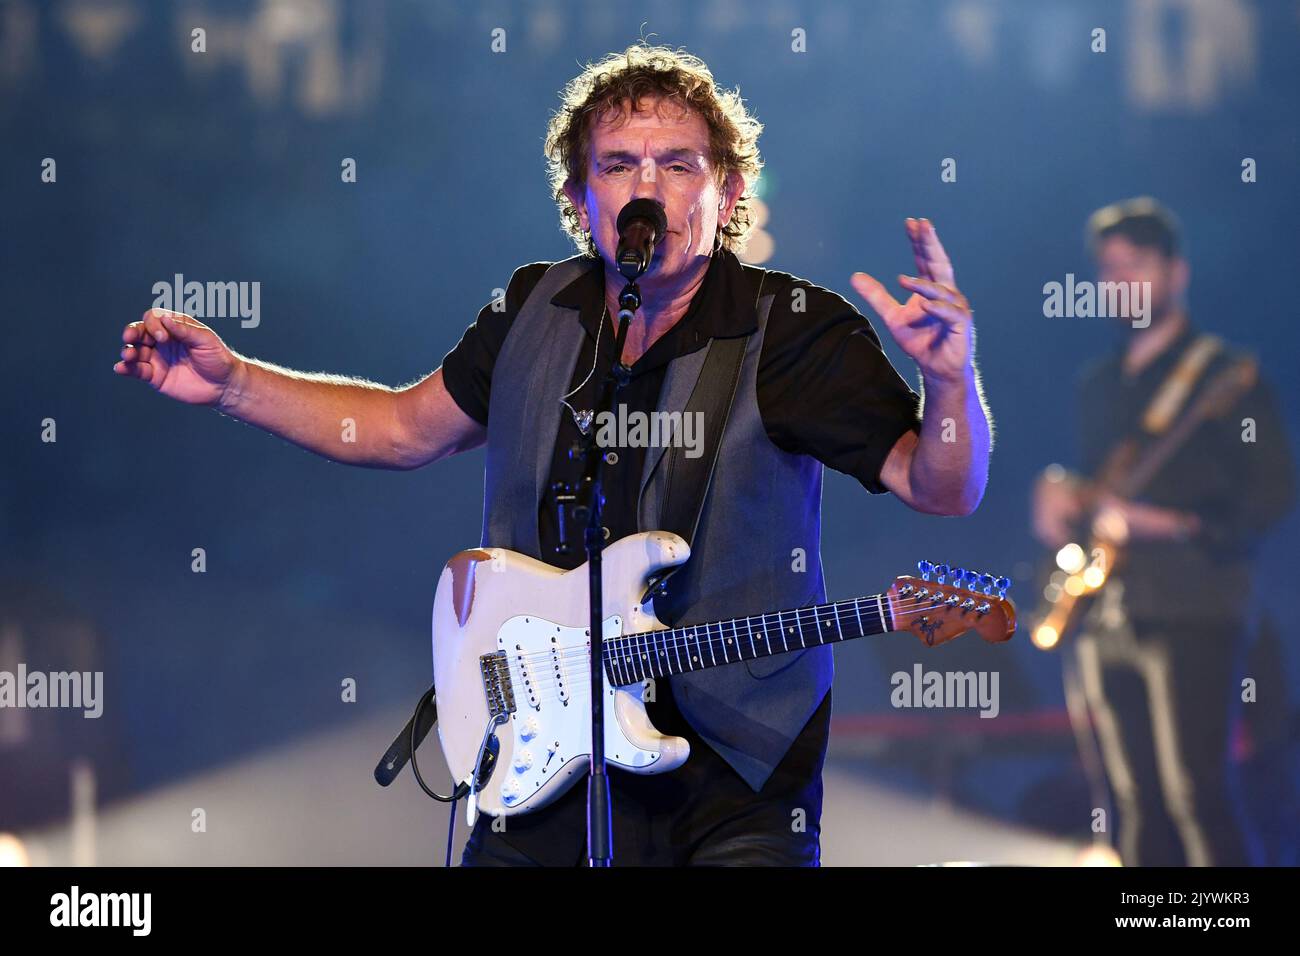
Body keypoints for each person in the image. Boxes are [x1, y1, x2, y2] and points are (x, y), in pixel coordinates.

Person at [114, 44, 991, 866]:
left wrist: (950, 380)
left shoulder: (795, 328)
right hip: (539, 741)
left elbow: (940, 485)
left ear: (727, 193)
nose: (648, 188)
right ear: (579, 199)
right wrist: (235, 384)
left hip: (735, 776)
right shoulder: (536, 306)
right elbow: (398, 429)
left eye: (679, 164)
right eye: (619, 166)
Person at [1032, 197, 1295, 866]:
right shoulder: (1096, 384)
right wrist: (1058, 493)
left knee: (1197, 796)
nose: (1120, 282)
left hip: (1194, 608)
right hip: (1103, 615)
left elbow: (1274, 492)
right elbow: (1092, 490)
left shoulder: (1224, 374)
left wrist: (1172, 524)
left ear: (1176, 272)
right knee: (1126, 803)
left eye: (1136, 265)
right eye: (1109, 269)